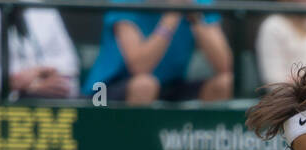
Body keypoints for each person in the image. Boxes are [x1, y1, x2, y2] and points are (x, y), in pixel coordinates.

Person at [85, 0, 232, 103]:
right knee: (145, 85)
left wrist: (196, 19)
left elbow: (225, 65)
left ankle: (200, 143)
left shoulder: (198, 2)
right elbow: (140, 67)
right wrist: (172, 15)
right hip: (104, 91)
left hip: (171, 85)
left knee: (225, 83)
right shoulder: (125, 1)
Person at [0, 1, 79, 98]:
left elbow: (70, 64)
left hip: (58, 95)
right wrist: (33, 87)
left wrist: (39, 72)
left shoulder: (41, 6)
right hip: (7, 106)